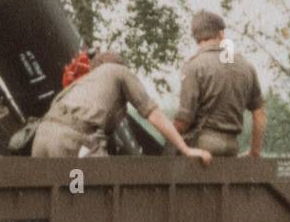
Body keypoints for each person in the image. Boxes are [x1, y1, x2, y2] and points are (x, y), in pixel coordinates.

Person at [33, 51, 210, 163]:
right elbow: (153, 113)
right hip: (71, 143)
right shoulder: (118, 71)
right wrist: (185, 149)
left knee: (55, 197)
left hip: (42, 139)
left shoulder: (81, 83)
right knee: (91, 193)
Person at [173, 10, 265, 157]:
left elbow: (184, 120)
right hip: (232, 146)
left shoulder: (194, 66)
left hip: (202, 145)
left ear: (196, 38)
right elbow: (259, 115)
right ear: (221, 33)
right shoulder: (246, 66)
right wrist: (254, 151)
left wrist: (169, 132)